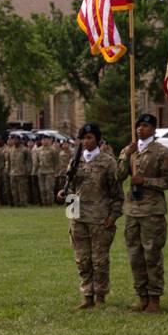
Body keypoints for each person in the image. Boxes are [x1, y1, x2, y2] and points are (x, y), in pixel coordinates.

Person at [58, 123, 122, 309]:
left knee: (99, 260)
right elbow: (71, 188)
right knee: (82, 259)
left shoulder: (107, 162)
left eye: (90, 138)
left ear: (98, 139)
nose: (86, 142)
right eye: (83, 138)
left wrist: (113, 216)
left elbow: (116, 193)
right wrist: (64, 195)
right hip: (78, 216)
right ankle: (87, 295)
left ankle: (101, 296)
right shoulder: (75, 161)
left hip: (99, 217)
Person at [116, 114, 168, 312]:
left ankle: (154, 297)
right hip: (132, 209)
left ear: (153, 129)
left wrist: (146, 181)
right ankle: (141, 295)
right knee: (135, 255)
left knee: (152, 255)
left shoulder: (162, 152)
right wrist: (125, 156)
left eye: (145, 126)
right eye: (138, 126)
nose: (141, 129)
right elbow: (119, 175)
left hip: (152, 210)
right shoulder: (130, 150)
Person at [7, 135, 32, 207]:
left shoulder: (25, 150)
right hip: (12, 173)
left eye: (16, 139)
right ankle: (16, 203)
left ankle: (23, 203)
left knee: (22, 190)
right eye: (13, 139)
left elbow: (29, 162)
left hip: (22, 173)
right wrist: (8, 170)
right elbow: (9, 161)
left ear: (20, 140)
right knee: (14, 190)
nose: (15, 141)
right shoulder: (10, 150)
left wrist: (28, 171)